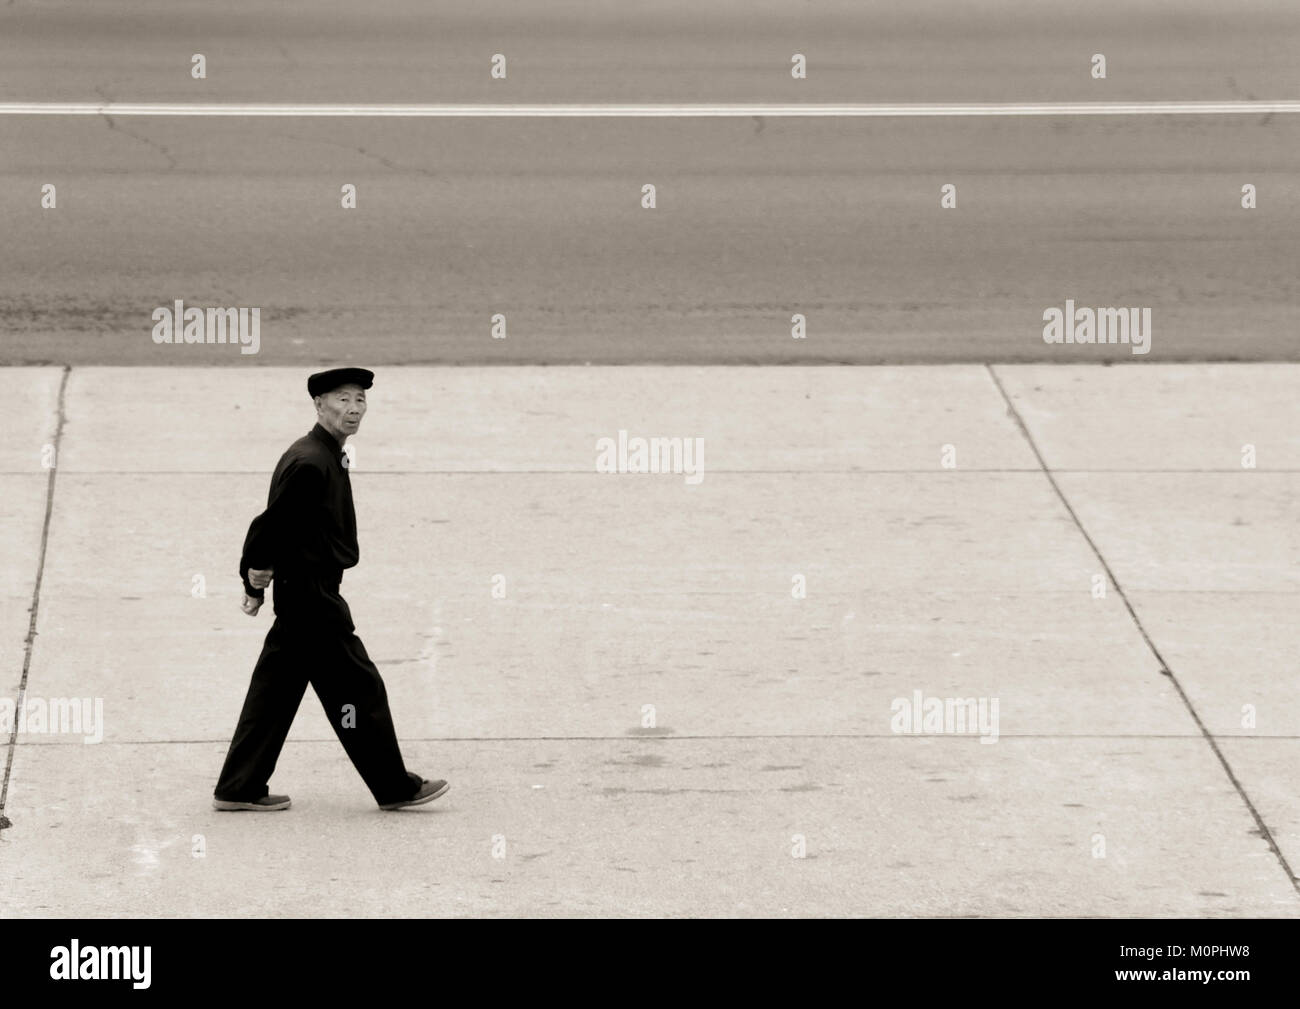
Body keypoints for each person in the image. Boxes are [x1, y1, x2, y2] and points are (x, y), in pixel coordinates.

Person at [212, 367, 447, 811]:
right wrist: (253, 574)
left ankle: (238, 787)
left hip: (303, 594)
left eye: (360, 400)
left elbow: (287, 526)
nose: (353, 409)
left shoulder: (323, 453)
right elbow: (270, 525)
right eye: (342, 399)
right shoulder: (310, 462)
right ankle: (395, 788)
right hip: (312, 597)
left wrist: (261, 574)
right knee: (360, 691)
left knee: (274, 694)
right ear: (319, 405)